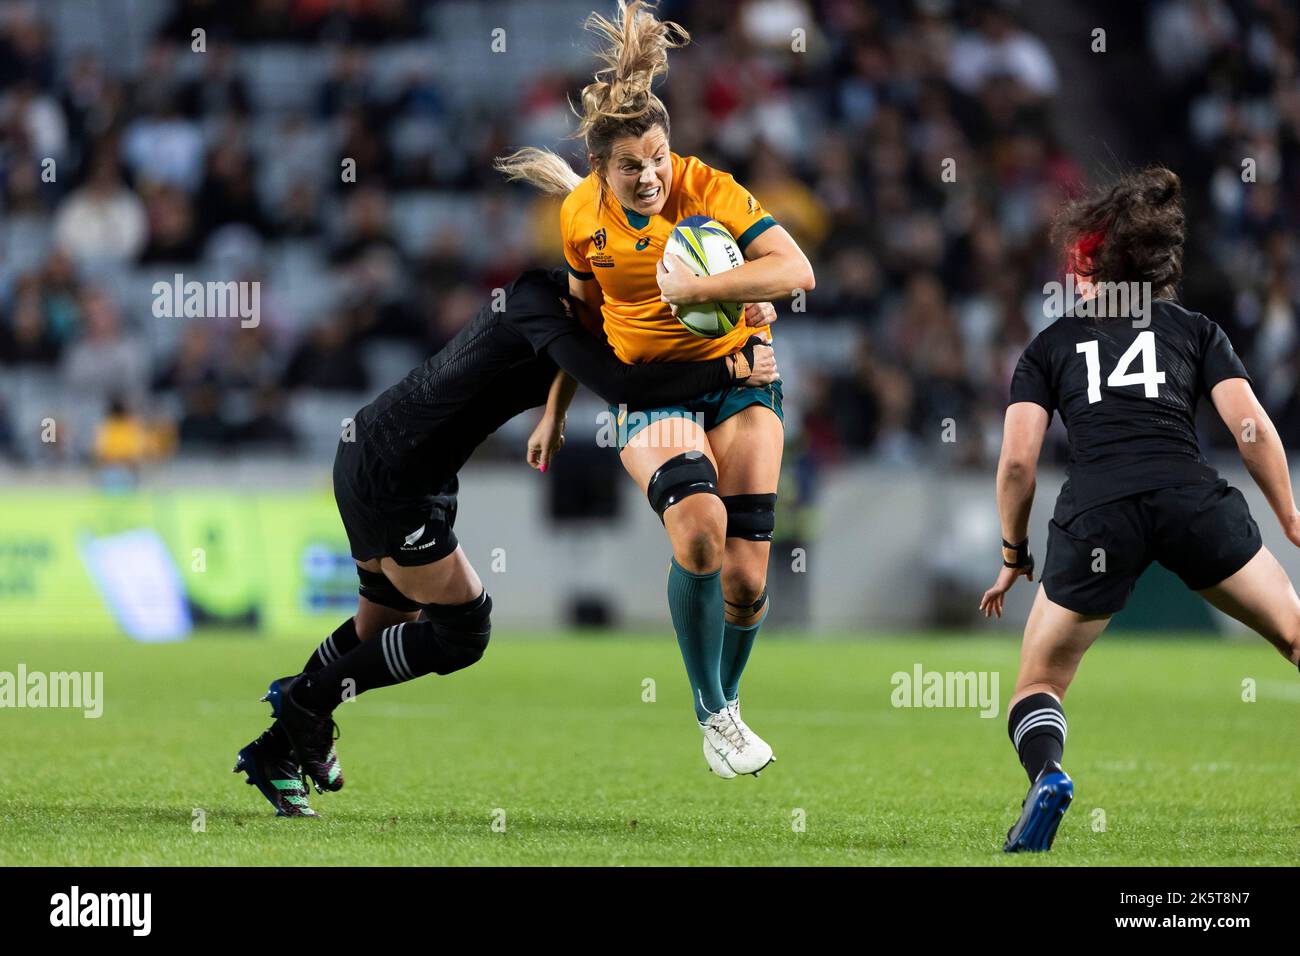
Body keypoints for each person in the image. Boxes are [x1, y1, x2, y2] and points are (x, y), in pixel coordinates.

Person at [233, 267, 777, 816]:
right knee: (464, 631)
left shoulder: (578, 312)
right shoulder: (537, 305)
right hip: (391, 468)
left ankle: (277, 750)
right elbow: (624, 385)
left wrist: (742, 310)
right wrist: (733, 365)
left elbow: (646, 343)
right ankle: (305, 702)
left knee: (382, 627)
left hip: (416, 469)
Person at [495, 0, 815, 778]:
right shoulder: (579, 217)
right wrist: (555, 409)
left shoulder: (707, 188)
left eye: (659, 158)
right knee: (700, 531)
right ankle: (712, 713)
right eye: (630, 166)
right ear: (601, 172)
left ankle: (725, 709)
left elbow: (797, 271)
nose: (650, 176)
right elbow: (581, 316)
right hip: (652, 392)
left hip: (741, 382)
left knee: (745, 580)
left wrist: (707, 287)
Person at [979, 166, 1300, 851]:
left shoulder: (1051, 345)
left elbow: (1016, 462)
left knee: (1038, 684)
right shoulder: (1196, 329)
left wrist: (1013, 554)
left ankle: (1048, 778)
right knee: (1295, 636)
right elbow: (1251, 432)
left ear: (1086, 263)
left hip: (1099, 515)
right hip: (1192, 503)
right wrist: (1291, 516)